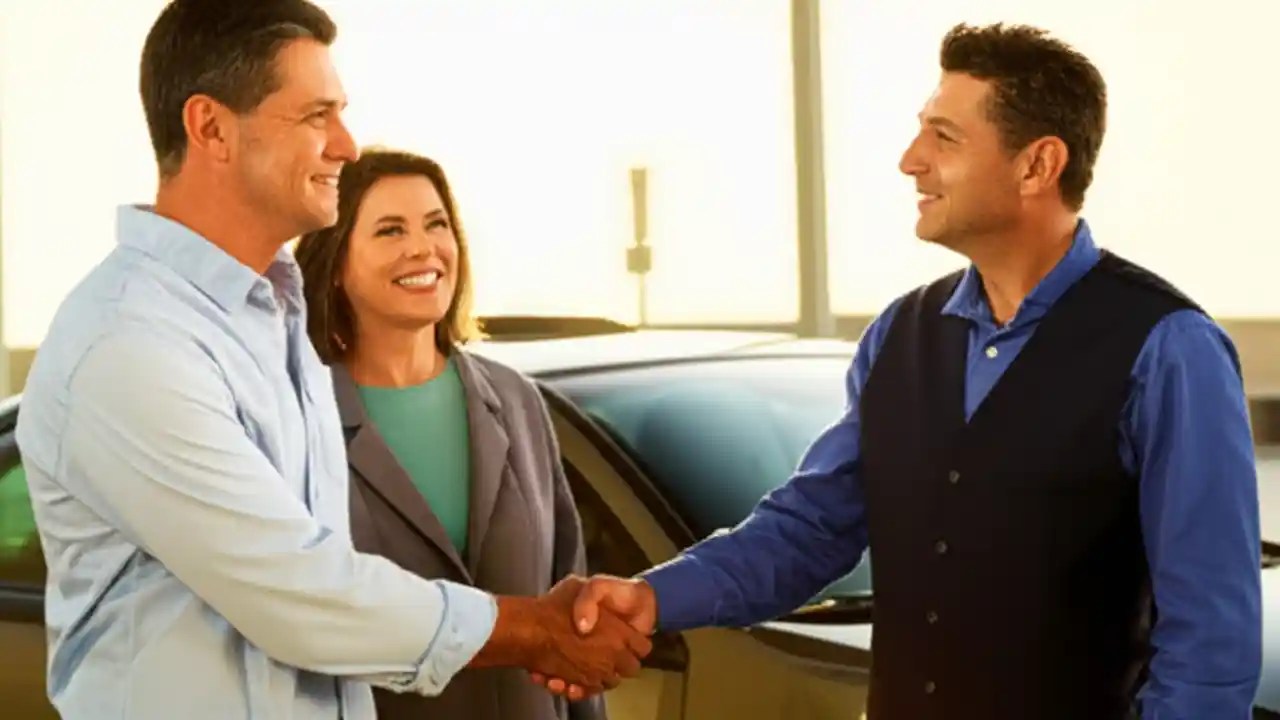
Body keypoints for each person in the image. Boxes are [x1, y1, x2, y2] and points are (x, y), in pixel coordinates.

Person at [553, 21, 1263, 720]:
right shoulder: (899, 335)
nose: (910, 159)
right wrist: (651, 597)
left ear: (1037, 165)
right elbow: (810, 529)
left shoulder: (1169, 348)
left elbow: (1209, 643)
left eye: (944, 137)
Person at [14, 2, 648, 719]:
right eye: (317, 116)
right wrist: (534, 629)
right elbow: (301, 593)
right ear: (211, 128)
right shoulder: (130, 343)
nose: (345, 144)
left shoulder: (278, 327)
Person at [292, 148, 609, 720]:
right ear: (336, 263)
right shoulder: (300, 414)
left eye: (436, 224)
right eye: (390, 230)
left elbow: (571, 604)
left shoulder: (516, 400)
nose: (422, 248)